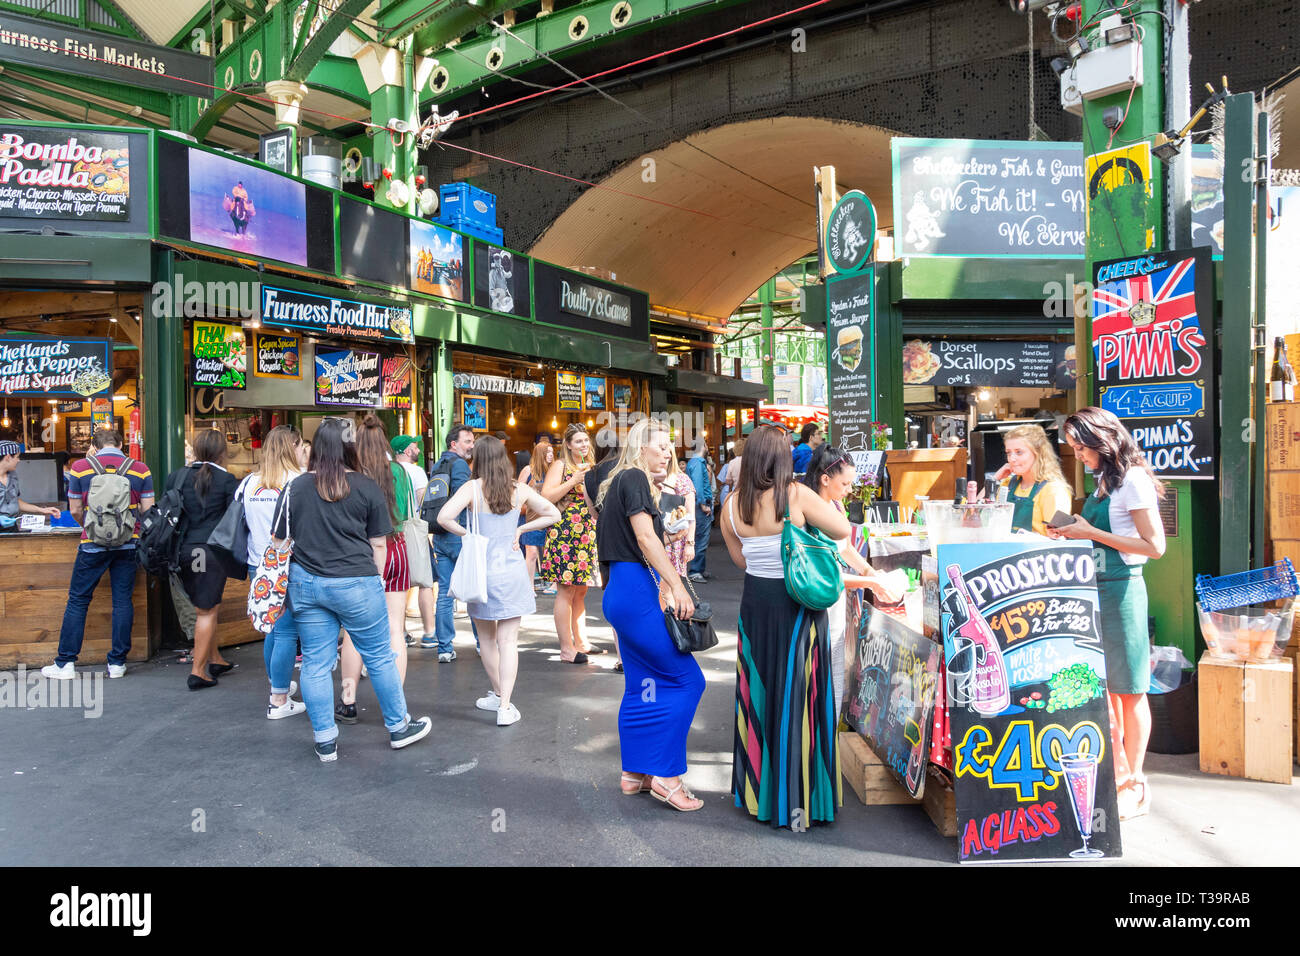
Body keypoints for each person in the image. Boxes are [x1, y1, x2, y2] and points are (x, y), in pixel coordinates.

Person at [269, 418, 432, 762]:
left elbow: (278, 541)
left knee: (314, 662)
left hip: (308, 584)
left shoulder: (295, 488)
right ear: (350, 448)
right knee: (378, 655)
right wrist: (374, 579)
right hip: (357, 582)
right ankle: (398, 728)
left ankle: (326, 740)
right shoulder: (366, 486)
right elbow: (379, 545)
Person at [721, 424, 850, 828]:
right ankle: (799, 798)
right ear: (782, 457)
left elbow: (741, 561)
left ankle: (760, 795)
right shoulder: (794, 494)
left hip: (754, 607)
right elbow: (843, 530)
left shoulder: (731, 505)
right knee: (800, 697)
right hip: (796, 605)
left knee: (759, 694)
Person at [1046, 407, 1165, 822]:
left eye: (1081, 447)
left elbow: (1155, 547)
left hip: (1123, 592)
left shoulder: (1133, 480)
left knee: (1131, 690)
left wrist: (1090, 532)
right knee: (1110, 689)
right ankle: (1115, 776)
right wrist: (1072, 529)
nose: (1077, 454)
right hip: (1095, 590)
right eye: (1073, 447)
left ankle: (1137, 781)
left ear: (1103, 441)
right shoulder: (1105, 479)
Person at [595, 418, 704, 811]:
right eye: (661, 446)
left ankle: (634, 773)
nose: (668, 453)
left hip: (620, 589)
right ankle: (667, 777)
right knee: (688, 680)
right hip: (634, 588)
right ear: (641, 446)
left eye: (670, 447)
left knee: (643, 683)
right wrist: (674, 584)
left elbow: (635, 538)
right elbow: (642, 538)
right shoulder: (636, 478)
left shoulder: (619, 481)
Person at [438, 436, 560, 726]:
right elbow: (552, 513)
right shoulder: (519, 489)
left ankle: (497, 693)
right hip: (512, 573)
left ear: (477, 459)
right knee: (509, 641)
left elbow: (444, 517)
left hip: (482, 574)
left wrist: (467, 536)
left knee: (488, 641)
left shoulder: (472, 489)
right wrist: (521, 530)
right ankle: (504, 705)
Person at [42, 428, 153, 681]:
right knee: (122, 601)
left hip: (91, 544)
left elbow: (76, 509)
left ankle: (66, 663)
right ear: (122, 443)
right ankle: (117, 663)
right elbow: (148, 511)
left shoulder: (80, 468)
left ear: (94, 446)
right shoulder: (140, 469)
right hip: (128, 543)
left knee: (79, 600)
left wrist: (90, 529)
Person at [802, 444, 903, 716]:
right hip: (818, 600)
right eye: (845, 483)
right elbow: (824, 573)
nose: (849, 490)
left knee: (835, 664)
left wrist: (869, 572)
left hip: (834, 597)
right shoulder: (808, 511)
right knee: (820, 666)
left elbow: (844, 547)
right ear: (825, 479)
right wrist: (871, 583)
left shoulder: (834, 504)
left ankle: (828, 731)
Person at [336, 415, 416, 723]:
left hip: (359, 553)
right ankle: (395, 702)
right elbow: (408, 512)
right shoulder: (398, 471)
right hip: (396, 548)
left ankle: (348, 699)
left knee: (355, 632)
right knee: (396, 628)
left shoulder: (350, 475)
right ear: (385, 442)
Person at [167, 430, 240, 690]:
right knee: (206, 611)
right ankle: (198, 672)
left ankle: (214, 658)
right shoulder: (227, 480)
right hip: (211, 552)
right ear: (222, 452)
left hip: (184, 551)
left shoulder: (177, 477)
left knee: (208, 606)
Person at [242, 425, 306, 719]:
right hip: (290, 564)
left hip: (259, 563)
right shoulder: (297, 481)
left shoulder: (248, 483)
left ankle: (275, 683)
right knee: (286, 633)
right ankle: (278, 699)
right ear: (291, 446)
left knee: (272, 626)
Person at [541, 423, 602, 662]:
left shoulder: (591, 465)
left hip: (586, 532)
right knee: (566, 590)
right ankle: (566, 648)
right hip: (564, 532)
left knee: (581, 590)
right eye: (578, 441)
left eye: (586, 441)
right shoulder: (560, 465)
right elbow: (546, 496)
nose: (584, 445)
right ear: (568, 445)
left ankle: (581, 641)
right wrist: (573, 479)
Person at [427, 423, 476, 662]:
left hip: (439, 534)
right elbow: (465, 500)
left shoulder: (438, 465)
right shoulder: (459, 466)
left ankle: (444, 648)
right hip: (459, 533)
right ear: (454, 444)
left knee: (445, 593)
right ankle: (482, 643)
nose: (472, 445)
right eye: (467, 441)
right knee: (473, 590)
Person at [392, 434, 437, 647]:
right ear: (406, 451)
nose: (418, 448)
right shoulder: (417, 471)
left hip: (394, 532)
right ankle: (429, 632)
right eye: (415, 446)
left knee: (399, 584)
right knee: (425, 582)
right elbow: (422, 499)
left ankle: (401, 631)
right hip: (413, 531)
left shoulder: (388, 470)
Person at [991, 424, 1073, 534]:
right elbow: (975, 513)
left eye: (1019, 452)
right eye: (1008, 453)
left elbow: (1058, 536)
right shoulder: (1007, 484)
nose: (1012, 458)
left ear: (1038, 453)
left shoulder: (1054, 490)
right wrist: (994, 478)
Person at [519, 441, 555, 593]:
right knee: (532, 552)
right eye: (548, 452)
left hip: (548, 515)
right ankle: (529, 587)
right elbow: (517, 494)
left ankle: (553, 584)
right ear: (540, 454)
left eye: (552, 452)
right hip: (530, 516)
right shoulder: (529, 470)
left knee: (551, 551)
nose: (551, 455)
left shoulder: (554, 471)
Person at [0, 441, 61, 521]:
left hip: (11, 526)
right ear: (8, 457)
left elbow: (16, 501)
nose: (18, 460)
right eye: (17, 457)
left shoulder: (12, 475)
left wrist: (42, 510)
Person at [659, 448, 696, 577]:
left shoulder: (682, 479)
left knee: (667, 589)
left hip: (674, 542)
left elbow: (690, 516)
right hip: (654, 539)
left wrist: (690, 544)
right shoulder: (647, 477)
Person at [684, 438, 713, 583]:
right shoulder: (697, 463)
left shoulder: (695, 462)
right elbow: (698, 485)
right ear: (703, 446)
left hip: (698, 504)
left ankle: (699, 568)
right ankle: (695, 571)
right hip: (700, 506)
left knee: (701, 537)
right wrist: (703, 504)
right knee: (701, 538)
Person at [716, 437, 745, 517]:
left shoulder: (732, 462)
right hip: (748, 493)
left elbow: (728, 480)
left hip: (735, 492)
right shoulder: (752, 461)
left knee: (730, 515)